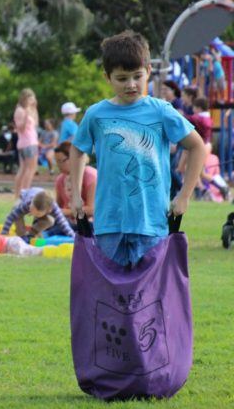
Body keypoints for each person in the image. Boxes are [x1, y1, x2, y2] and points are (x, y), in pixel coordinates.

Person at [70, 30, 205, 267]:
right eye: (122, 78)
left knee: (150, 290)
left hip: (151, 223)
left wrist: (184, 196)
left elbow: (197, 146)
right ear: (107, 77)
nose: (131, 84)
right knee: (110, 289)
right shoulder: (95, 114)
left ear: (149, 72)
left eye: (137, 76)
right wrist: (75, 196)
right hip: (109, 223)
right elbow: (77, 150)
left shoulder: (161, 111)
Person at [54, 141, 97, 225]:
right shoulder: (60, 179)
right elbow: (58, 206)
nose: (58, 165)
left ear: (72, 158)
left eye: (61, 161)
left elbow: (92, 210)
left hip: (90, 223)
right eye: (56, 161)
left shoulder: (90, 176)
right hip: (67, 222)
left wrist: (65, 212)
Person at [13, 88, 39, 198]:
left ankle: (19, 194)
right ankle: (25, 193)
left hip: (28, 142)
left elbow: (35, 124)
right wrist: (26, 116)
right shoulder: (20, 111)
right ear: (25, 98)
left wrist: (34, 109)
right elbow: (20, 128)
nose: (32, 101)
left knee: (24, 169)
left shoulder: (27, 110)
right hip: (28, 142)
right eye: (30, 99)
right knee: (30, 169)